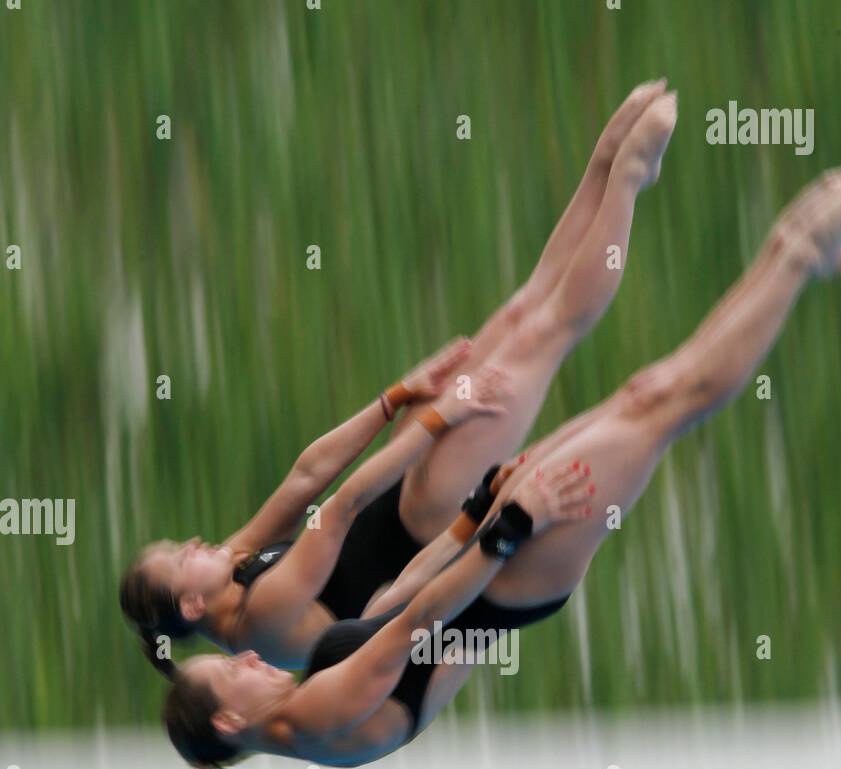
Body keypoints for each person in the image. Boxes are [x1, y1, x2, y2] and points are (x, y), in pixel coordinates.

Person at [156, 164, 841, 769]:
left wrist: (474, 514)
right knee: (663, 404)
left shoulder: (299, 696)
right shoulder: (310, 721)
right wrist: (505, 529)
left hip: (486, 550)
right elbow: (417, 623)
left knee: (642, 394)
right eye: (230, 669)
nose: (245, 656)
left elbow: (390, 597)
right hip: (507, 576)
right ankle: (797, 251)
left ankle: (799, 252)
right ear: (229, 718)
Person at [120, 82, 679, 666]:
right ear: (190, 605)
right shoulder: (260, 622)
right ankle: (630, 178)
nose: (193, 544)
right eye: (180, 557)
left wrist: (394, 398)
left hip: (399, 487)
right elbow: (345, 502)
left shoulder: (230, 569)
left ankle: (605, 163)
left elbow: (307, 475)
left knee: (522, 309)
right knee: (545, 334)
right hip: (431, 522)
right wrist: (440, 416)